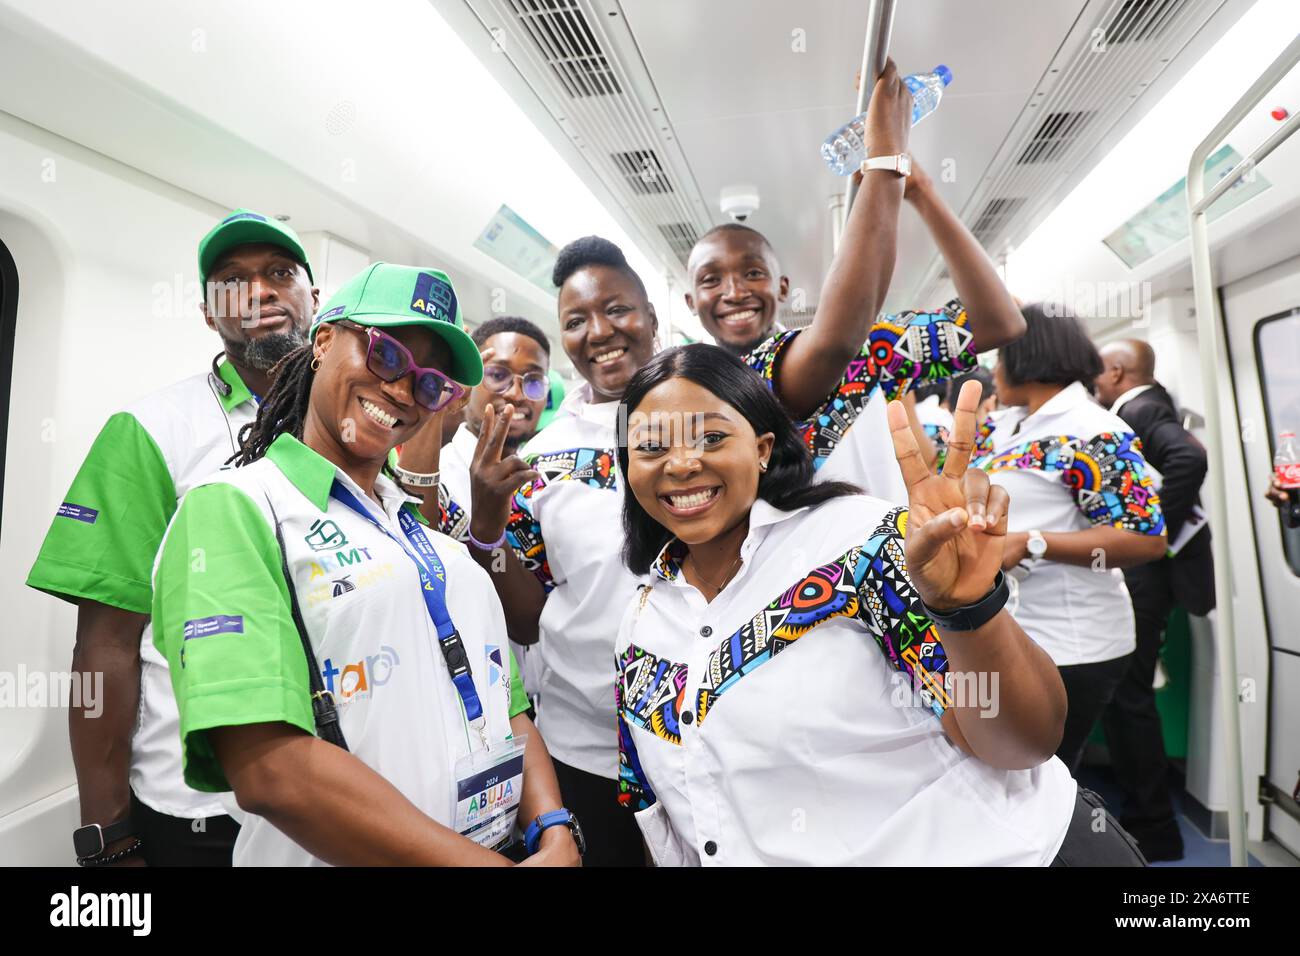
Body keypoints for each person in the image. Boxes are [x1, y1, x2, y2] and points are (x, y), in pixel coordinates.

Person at [458, 63, 926, 866]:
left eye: (616, 309)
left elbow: (843, 334)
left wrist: (883, 165)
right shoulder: (540, 452)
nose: (599, 330)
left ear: (653, 312)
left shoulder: (718, 399)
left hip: (722, 721)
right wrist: (490, 524)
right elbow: (530, 616)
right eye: (576, 319)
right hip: (587, 739)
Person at [613, 344, 1144, 866]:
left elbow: (1023, 744)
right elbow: (669, 816)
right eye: (652, 447)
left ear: (763, 448)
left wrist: (970, 610)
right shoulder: (640, 628)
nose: (681, 463)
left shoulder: (863, 544)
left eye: (711, 436)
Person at [150, 262, 580, 866]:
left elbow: (505, 700)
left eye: (430, 384)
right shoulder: (237, 509)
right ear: (323, 340)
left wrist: (556, 831)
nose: (404, 392)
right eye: (386, 355)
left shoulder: (430, 536)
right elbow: (270, 768)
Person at [26, 208, 319, 866]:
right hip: (202, 817)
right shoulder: (150, 430)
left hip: (344, 798)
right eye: (232, 281)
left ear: (314, 299)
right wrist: (106, 833)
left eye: (279, 273)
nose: (260, 291)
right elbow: (105, 646)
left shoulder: (361, 425)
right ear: (209, 313)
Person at [685, 155, 1026, 494]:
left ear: (783, 287)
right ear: (690, 301)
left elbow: (998, 321)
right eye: (711, 280)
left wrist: (923, 194)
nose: (734, 292)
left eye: (753, 274)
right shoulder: (680, 395)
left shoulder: (866, 353)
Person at [975, 307, 1168, 775]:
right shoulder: (1007, 426)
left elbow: (1145, 538)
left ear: (1028, 355)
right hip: (1015, 629)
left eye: (1002, 355)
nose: (996, 369)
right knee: (1001, 772)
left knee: (1036, 778)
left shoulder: (1093, 431)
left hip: (1071, 641)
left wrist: (1033, 542)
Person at [1094, 338, 1214, 861]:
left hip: (1148, 577)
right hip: (1147, 577)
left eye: (1098, 370)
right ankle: (1145, 815)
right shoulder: (1140, 406)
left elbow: (1189, 457)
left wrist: (1145, 528)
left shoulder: (1141, 410)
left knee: (1131, 695)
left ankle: (1154, 825)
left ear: (1118, 371)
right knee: (1127, 693)